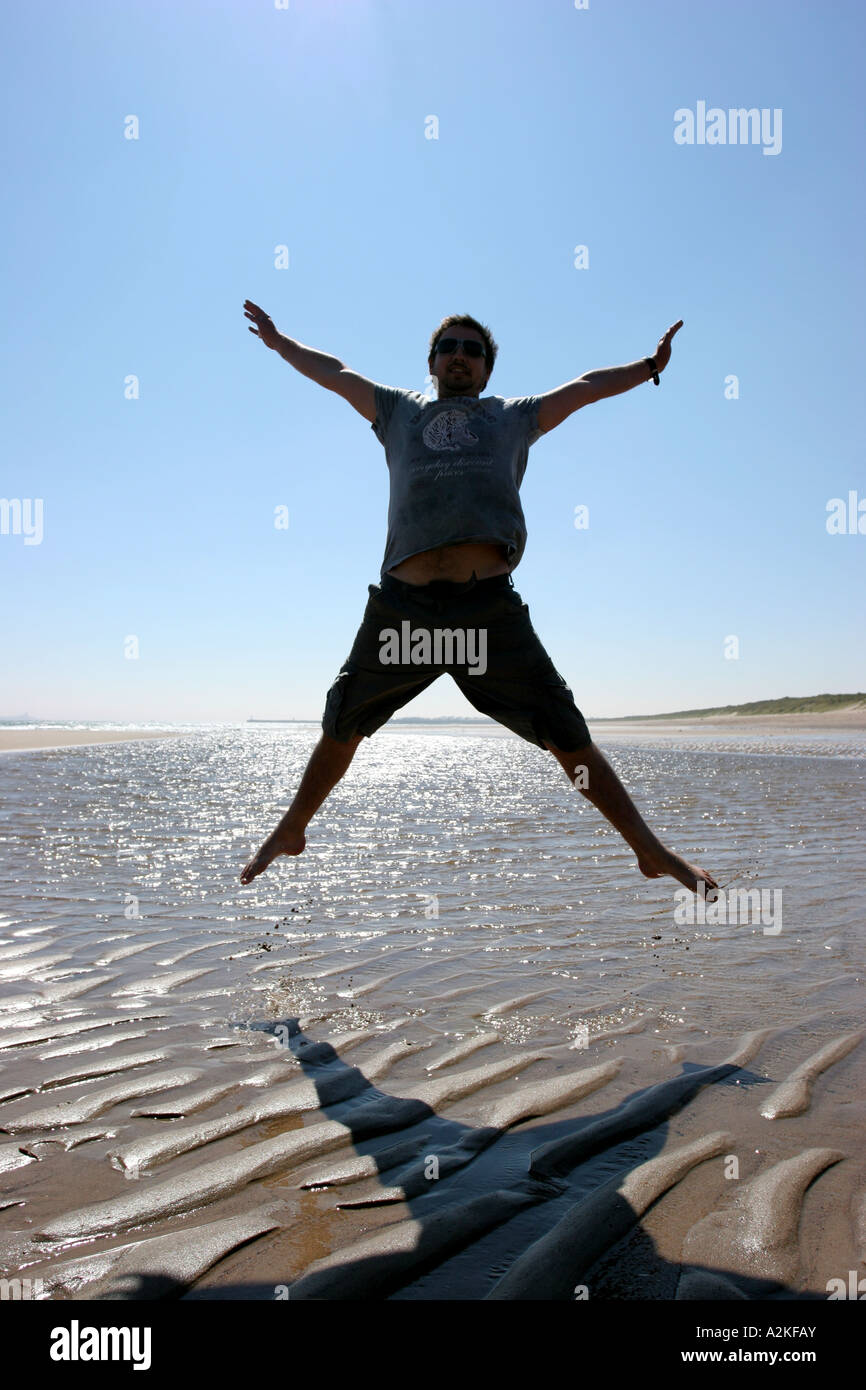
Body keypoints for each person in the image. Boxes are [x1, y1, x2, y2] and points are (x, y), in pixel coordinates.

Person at [239, 302, 717, 899]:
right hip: (404, 612)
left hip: (486, 612)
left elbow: (586, 387)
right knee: (342, 722)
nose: (461, 355)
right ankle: (292, 827)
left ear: (487, 371)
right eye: (450, 348)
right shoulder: (397, 411)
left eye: (473, 350)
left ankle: (649, 850)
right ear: (432, 363)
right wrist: (282, 343)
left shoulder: (511, 418)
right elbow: (335, 372)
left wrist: (649, 366)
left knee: (565, 731)